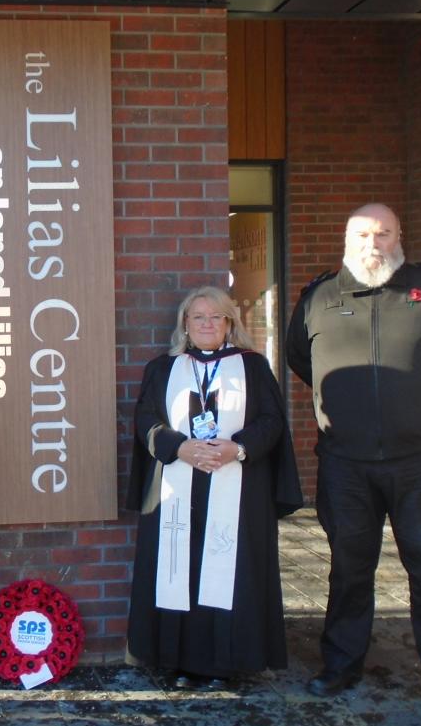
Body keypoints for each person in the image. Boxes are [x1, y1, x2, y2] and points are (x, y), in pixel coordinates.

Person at [286, 202, 421, 722]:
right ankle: (341, 666)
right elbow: (300, 359)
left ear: (399, 237)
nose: (374, 244)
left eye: (384, 234)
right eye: (363, 234)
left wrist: (413, 403)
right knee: (349, 570)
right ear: (346, 238)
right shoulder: (319, 296)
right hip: (346, 464)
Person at [126, 286, 303, 690]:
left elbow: (272, 422)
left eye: (216, 317)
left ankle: (226, 662)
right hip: (177, 487)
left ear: (229, 323)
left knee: (231, 570)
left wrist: (237, 448)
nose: (207, 324)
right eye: (198, 317)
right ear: (185, 325)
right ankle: (177, 660)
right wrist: (180, 447)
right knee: (179, 568)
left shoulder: (253, 367)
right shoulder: (162, 368)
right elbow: (146, 419)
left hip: (238, 488)